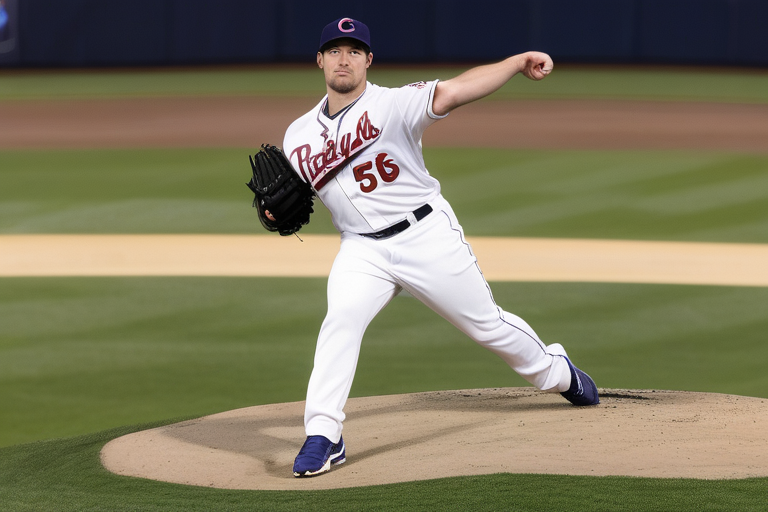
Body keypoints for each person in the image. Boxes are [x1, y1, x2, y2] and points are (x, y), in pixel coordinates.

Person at [283, 17, 599, 478]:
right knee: (340, 322)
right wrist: (274, 214)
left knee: (487, 327)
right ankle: (324, 434)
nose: (343, 58)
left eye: (353, 51)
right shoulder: (298, 135)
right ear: (320, 60)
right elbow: (294, 198)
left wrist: (514, 62)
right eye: (334, 50)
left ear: (368, 60)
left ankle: (557, 372)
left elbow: (455, 90)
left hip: (424, 235)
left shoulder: (394, 103)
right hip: (361, 250)